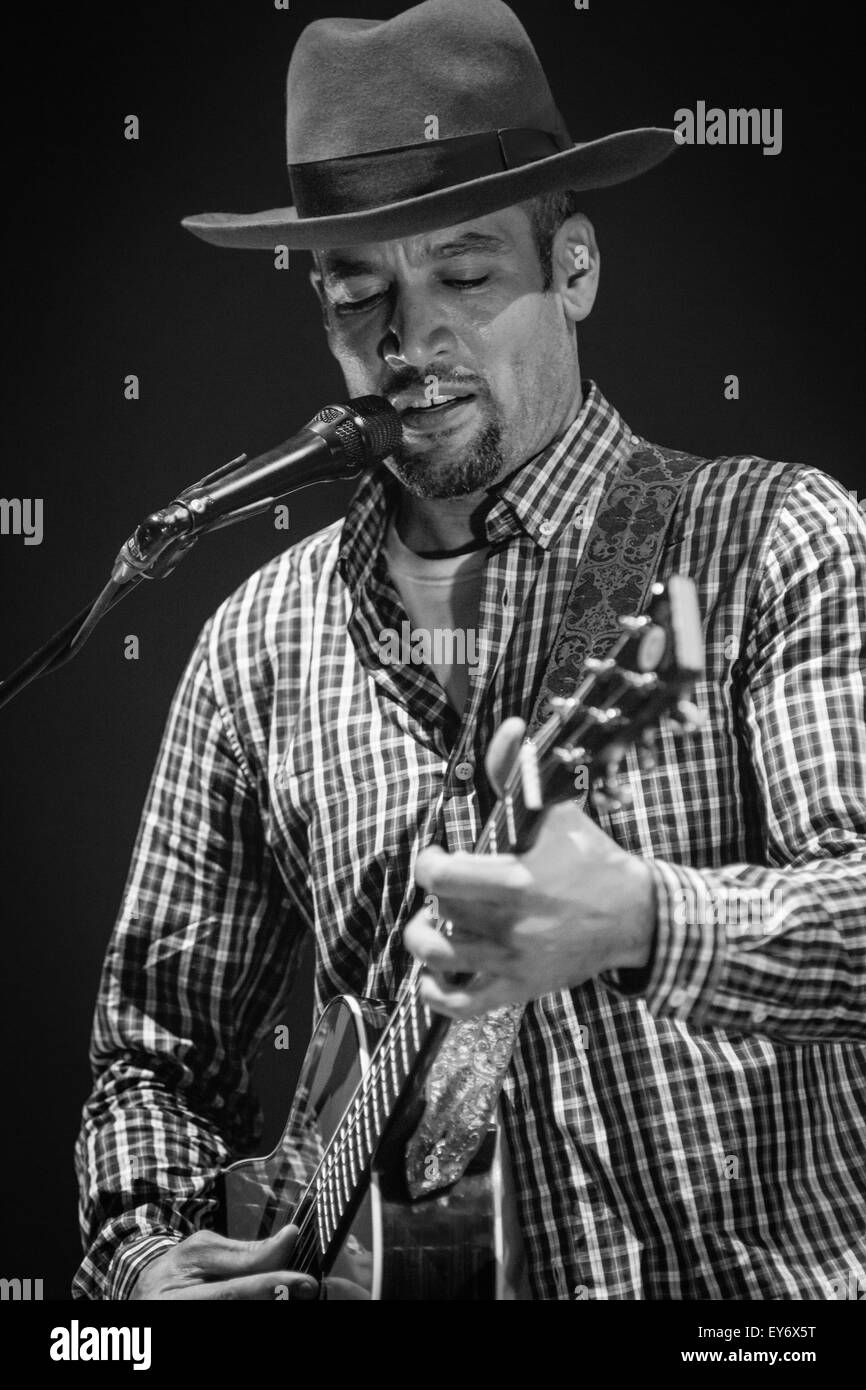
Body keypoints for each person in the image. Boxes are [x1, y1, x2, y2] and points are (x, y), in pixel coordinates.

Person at [74, 0, 866, 1301]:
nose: (407, 343)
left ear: (574, 269)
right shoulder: (253, 645)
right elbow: (150, 1059)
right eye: (357, 293)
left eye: (463, 274)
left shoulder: (773, 541)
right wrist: (147, 1259)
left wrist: (643, 918)